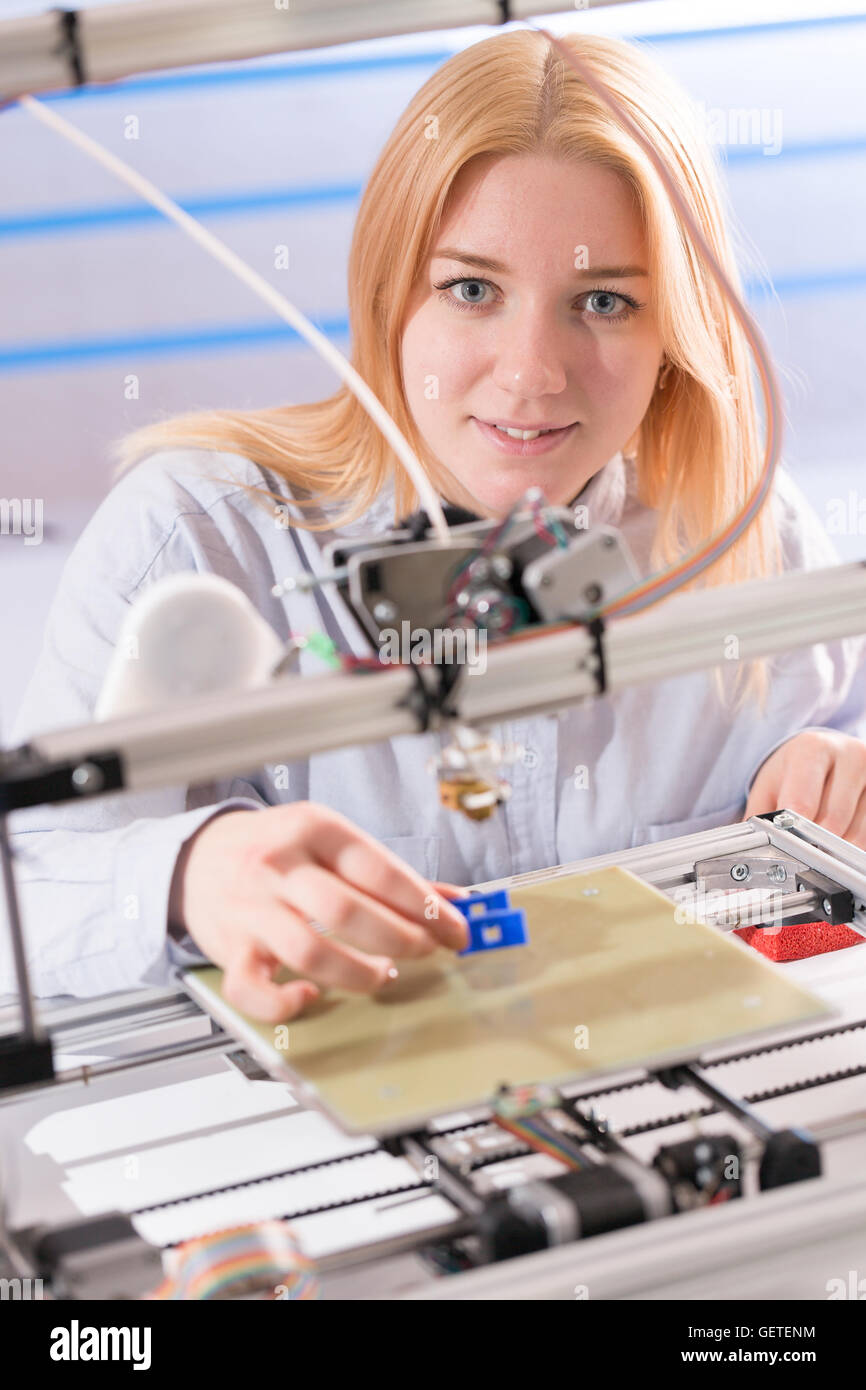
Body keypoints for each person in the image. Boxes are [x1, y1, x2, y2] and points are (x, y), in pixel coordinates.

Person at [6, 30, 866, 1021]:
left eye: (601, 301)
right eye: (471, 289)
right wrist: (188, 871)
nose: (529, 373)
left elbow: (838, 740)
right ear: (387, 296)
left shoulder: (741, 538)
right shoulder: (198, 539)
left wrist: (837, 771)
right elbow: (24, 892)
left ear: (672, 333)